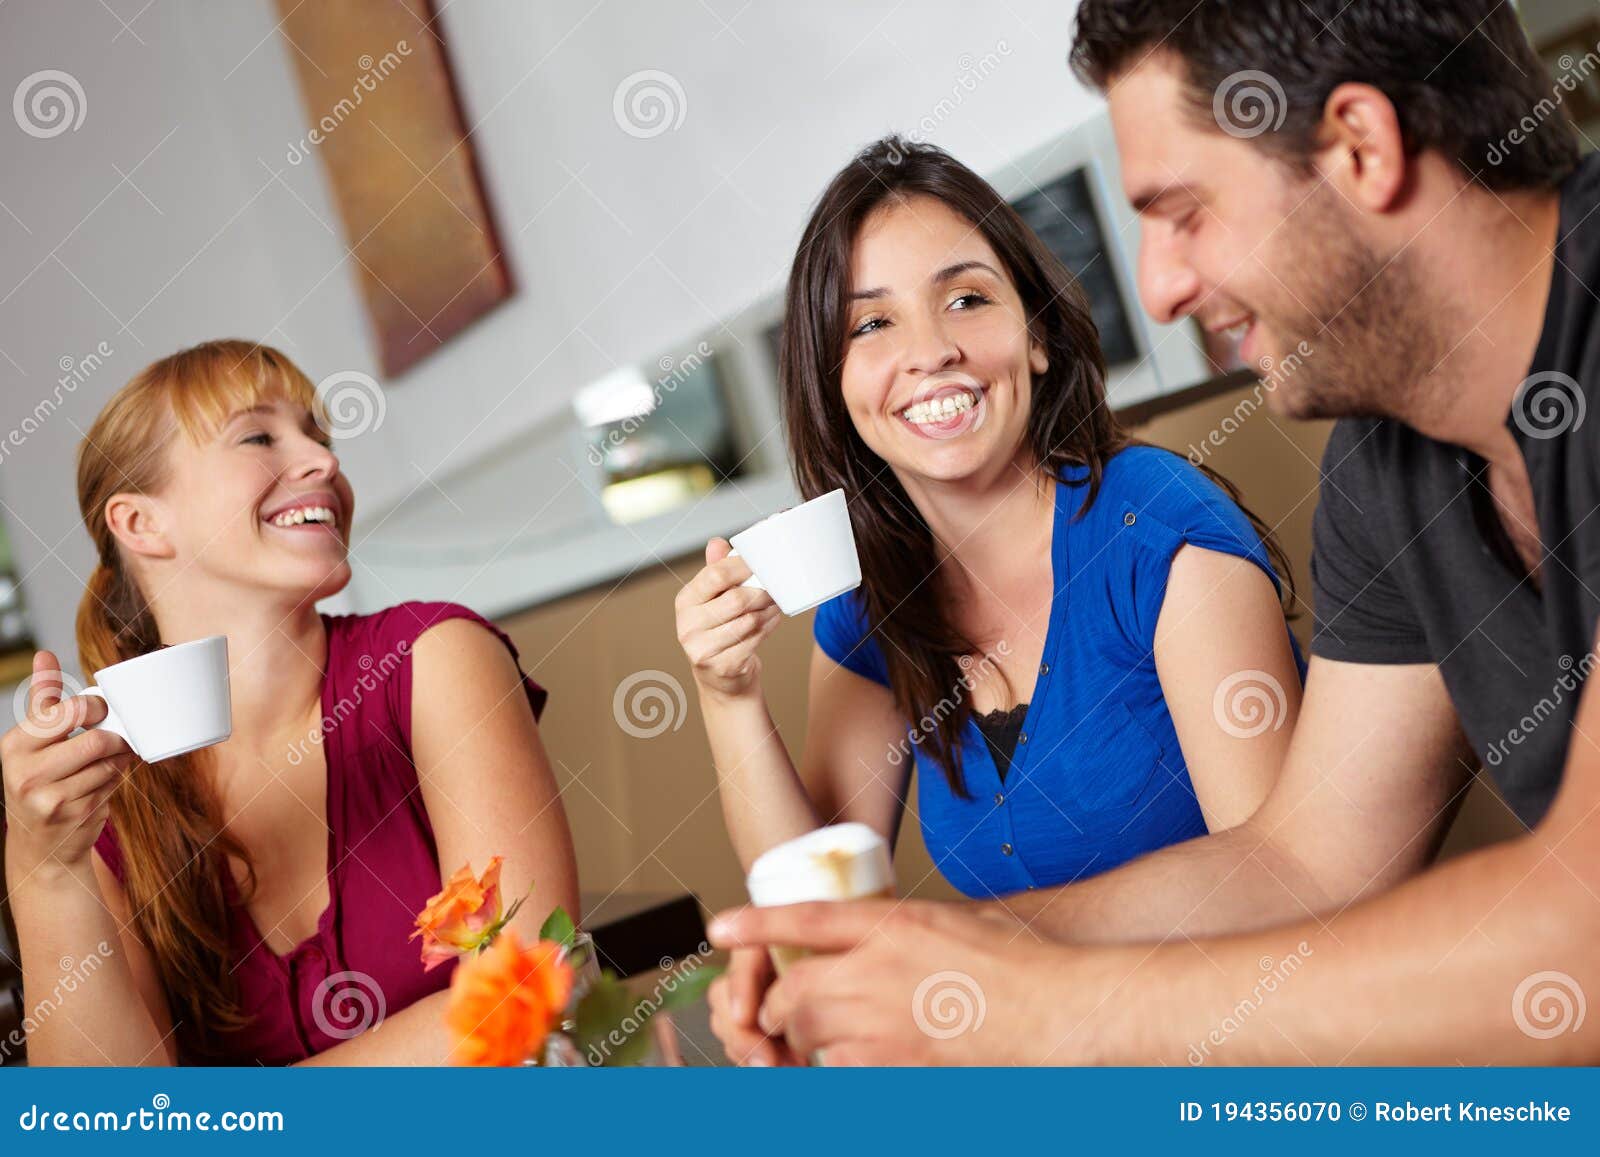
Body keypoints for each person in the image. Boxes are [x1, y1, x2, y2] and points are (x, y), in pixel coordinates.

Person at [706, 0, 1600, 1064]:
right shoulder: (1389, 455)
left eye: (1182, 212)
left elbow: (1577, 930)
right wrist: (932, 956)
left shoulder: (1159, 525)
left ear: (1361, 146)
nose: (1160, 289)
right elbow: (1304, 866)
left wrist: (1037, 1006)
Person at [676, 138, 1305, 1063]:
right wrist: (725, 694)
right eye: (871, 326)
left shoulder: (1157, 526)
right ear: (834, 383)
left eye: (966, 299)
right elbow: (816, 900)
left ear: (1037, 336)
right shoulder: (873, 603)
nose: (931, 352)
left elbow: (1291, 883)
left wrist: (967, 961)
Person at [1, 340, 579, 1065]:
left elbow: (526, 987)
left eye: (320, 436)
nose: (325, 462)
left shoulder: (434, 657)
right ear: (142, 524)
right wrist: (47, 871)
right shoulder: (98, 800)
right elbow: (104, 1124)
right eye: (259, 436)